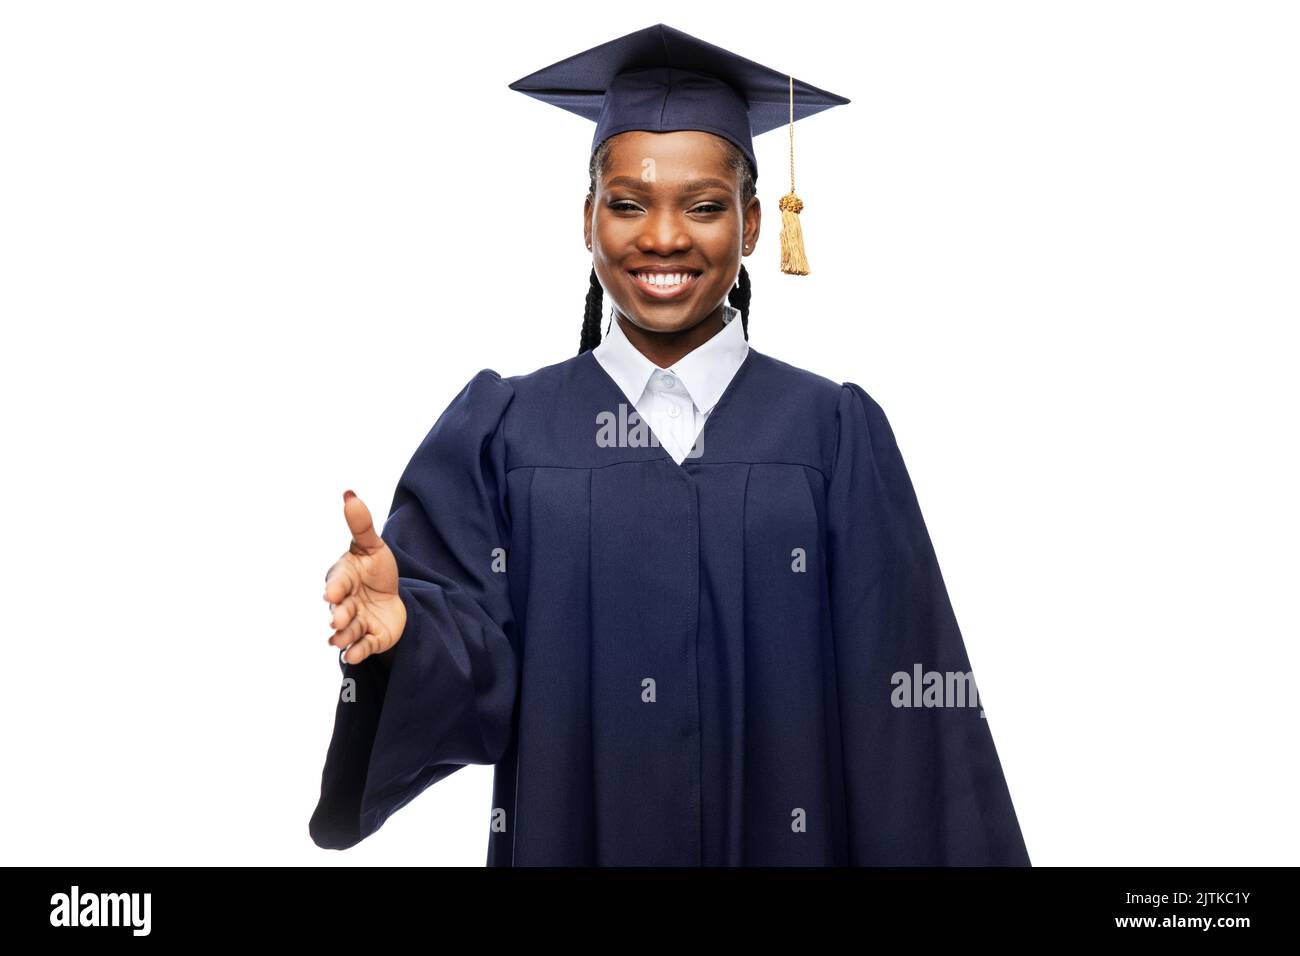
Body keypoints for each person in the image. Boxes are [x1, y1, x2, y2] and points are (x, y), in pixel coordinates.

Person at [309, 23, 1031, 866]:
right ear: (587, 220)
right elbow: (475, 673)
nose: (662, 238)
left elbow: (909, 735)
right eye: (627, 204)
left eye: (703, 205)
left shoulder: (832, 436)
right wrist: (408, 636)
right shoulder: (505, 433)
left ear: (754, 224)